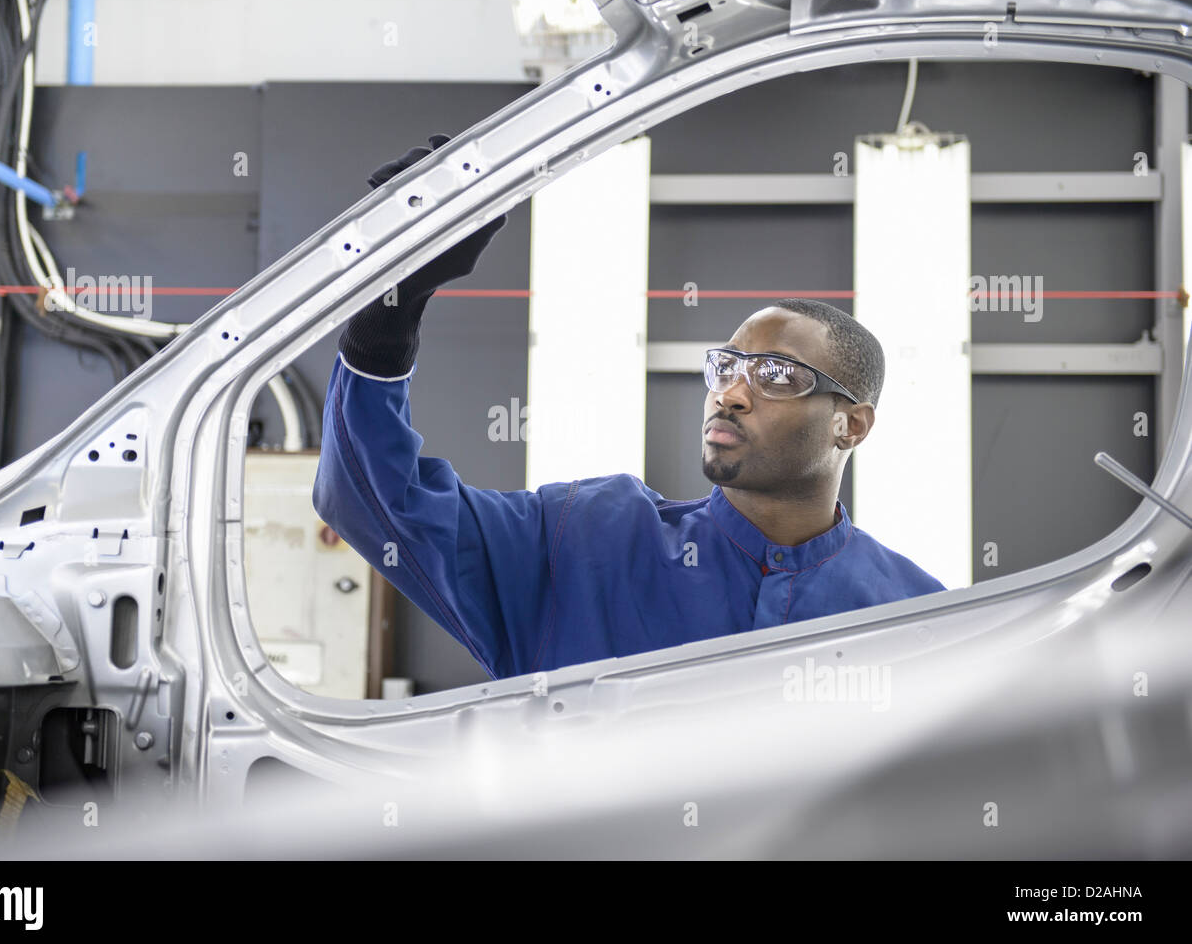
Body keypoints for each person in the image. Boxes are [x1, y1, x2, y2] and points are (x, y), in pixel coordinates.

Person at [313, 135, 945, 681]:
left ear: (851, 425)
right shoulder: (584, 543)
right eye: (724, 367)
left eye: (775, 375)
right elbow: (372, 500)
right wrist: (388, 308)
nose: (730, 393)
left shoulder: (922, 620)